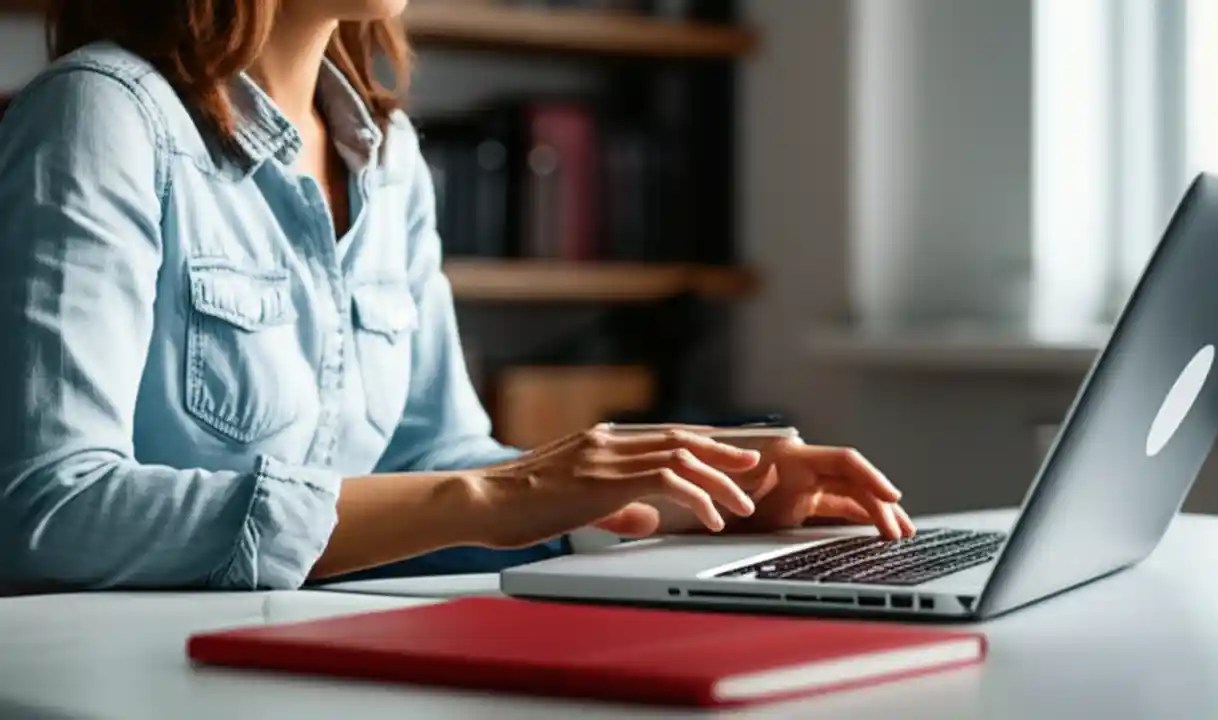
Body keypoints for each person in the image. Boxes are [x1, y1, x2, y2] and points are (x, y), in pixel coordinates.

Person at [0, 0, 914, 591]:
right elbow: (50, 510)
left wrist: (687, 492)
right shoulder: (102, 114)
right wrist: (494, 493)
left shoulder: (389, 157)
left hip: (317, 660)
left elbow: (434, 456)